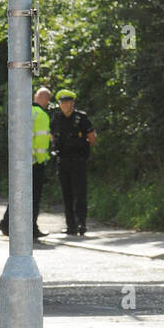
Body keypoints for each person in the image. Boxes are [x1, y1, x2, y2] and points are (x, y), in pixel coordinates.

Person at [0, 87, 54, 239]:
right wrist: (42, 160)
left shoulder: (22, 111)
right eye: (48, 100)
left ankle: (6, 224)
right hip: (34, 163)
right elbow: (41, 141)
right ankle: (32, 228)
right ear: (45, 99)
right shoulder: (41, 115)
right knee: (33, 197)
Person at [51, 87, 96, 236]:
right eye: (63, 102)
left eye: (68, 102)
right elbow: (52, 136)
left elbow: (92, 138)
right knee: (67, 194)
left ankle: (81, 223)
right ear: (59, 104)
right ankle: (71, 226)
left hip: (78, 160)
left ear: (73, 103)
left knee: (80, 193)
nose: (65, 105)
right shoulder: (56, 118)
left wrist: (83, 149)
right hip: (63, 160)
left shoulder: (81, 118)